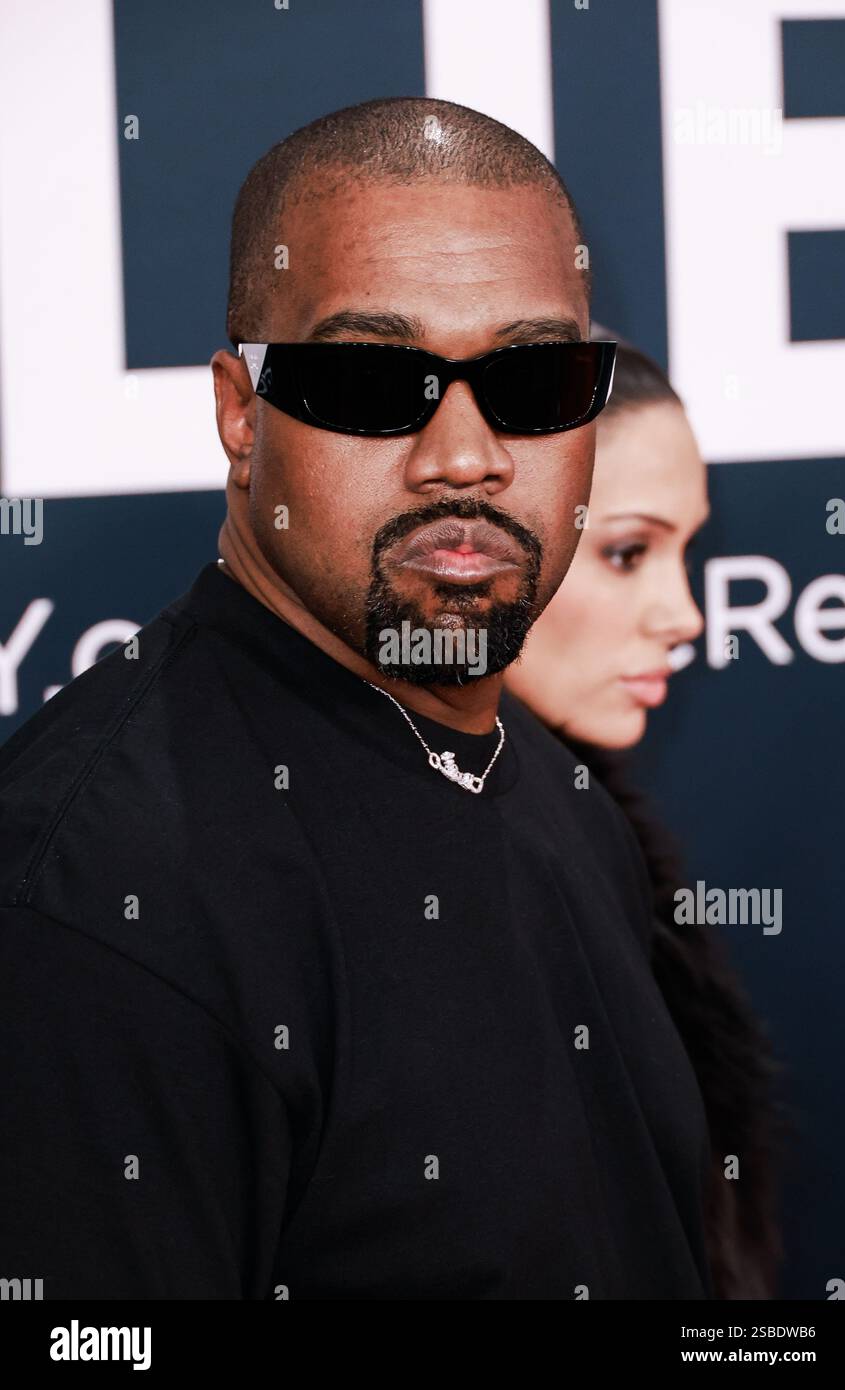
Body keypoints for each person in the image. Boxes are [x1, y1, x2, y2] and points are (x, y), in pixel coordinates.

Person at [0, 98, 713, 1299]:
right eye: (374, 380)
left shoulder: (551, 785)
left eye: (533, 379)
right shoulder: (93, 906)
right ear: (240, 413)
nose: (465, 455)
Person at [506, 331, 785, 1298]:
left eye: (686, 550)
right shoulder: (424, 887)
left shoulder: (584, 839)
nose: (687, 615)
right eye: (628, 553)